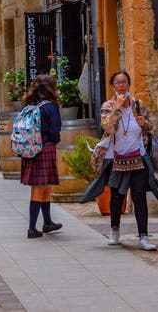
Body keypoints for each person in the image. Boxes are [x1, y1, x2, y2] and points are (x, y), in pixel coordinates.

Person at [80, 69, 158, 250]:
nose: (121, 85)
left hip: (138, 157)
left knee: (139, 197)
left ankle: (144, 237)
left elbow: (151, 126)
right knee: (117, 197)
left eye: (124, 82)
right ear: (113, 86)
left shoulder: (138, 105)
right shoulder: (108, 106)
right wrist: (117, 108)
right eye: (118, 82)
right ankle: (114, 231)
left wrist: (144, 123)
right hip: (116, 159)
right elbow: (107, 128)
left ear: (129, 84)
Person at [19, 74, 62, 238]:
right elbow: (54, 130)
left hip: (31, 149)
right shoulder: (51, 106)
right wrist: (54, 140)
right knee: (39, 188)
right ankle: (31, 228)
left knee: (45, 186)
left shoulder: (29, 104)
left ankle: (48, 222)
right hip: (46, 148)